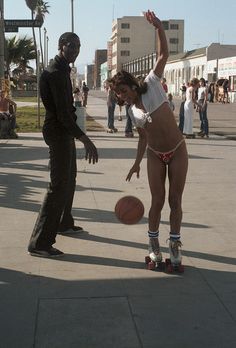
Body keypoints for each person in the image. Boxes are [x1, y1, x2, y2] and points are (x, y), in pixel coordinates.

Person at [110, 10, 188, 268]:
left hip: (177, 150)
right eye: (118, 95)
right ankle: (153, 246)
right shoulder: (132, 111)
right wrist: (135, 163)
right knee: (157, 201)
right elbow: (143, 138)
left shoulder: (152, 83)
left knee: (175, 200)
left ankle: (174, 245)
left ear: (132, 85)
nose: (122, 97)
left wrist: (158, 28)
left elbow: (163, 54)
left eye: (123, 91)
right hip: (155, 154)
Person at [27, 32, 98, 258]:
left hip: (63, 130)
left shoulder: (63, 69)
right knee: (58, 185)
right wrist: (85, 139)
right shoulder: (55, 73)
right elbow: (62, 115)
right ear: (61, 46)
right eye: (72, 46)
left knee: (70, 179)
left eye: (78, 46)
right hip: (58, 131)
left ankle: (64, 222)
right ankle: (40, 243)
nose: (76, 50)